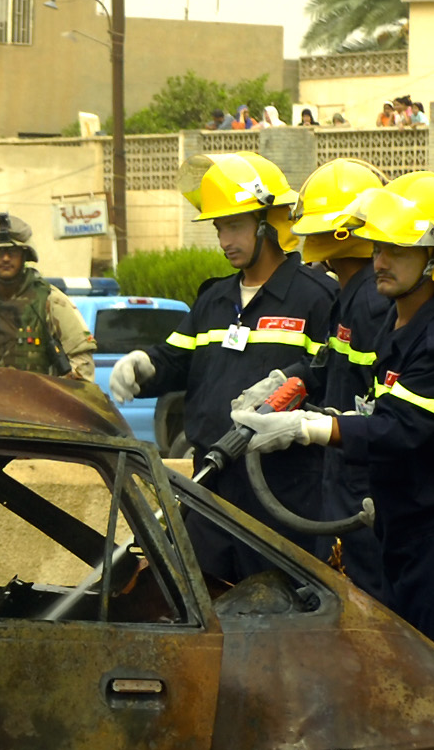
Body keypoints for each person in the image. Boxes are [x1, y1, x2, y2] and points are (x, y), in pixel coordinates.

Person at [235, 172, 434, 712]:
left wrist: (306, 427)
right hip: (406, 521)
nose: (380, 260)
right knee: (418, 672)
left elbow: (398, 429)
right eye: (380, 246)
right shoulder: (400, 322)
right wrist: (293, 392)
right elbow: (371, 403)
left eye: (398, 250)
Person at [110, 152, 336, 577]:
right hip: (209, 486)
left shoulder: (316, 297)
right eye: (219, 228)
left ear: (267, 223)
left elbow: (333, 378)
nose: (224, 240)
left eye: (234, 225)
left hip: (283, 492)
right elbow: (176, 360)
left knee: (280, 616)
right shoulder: (214, 299)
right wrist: (144, 365)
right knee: (207, 614)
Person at [284, 157, 391, 600]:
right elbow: (335, 371)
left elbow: (379, 407)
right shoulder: (351, 294)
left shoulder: (372, 300)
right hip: (345, 479)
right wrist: (286, 383)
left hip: (363, 489)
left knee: (363, 602)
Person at [0, 213, 96, 381]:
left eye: (12, 252)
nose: (6, 258)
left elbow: (82, 363)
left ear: (24, 256)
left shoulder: (52, 302)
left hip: (37, 404)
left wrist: (61, 387)